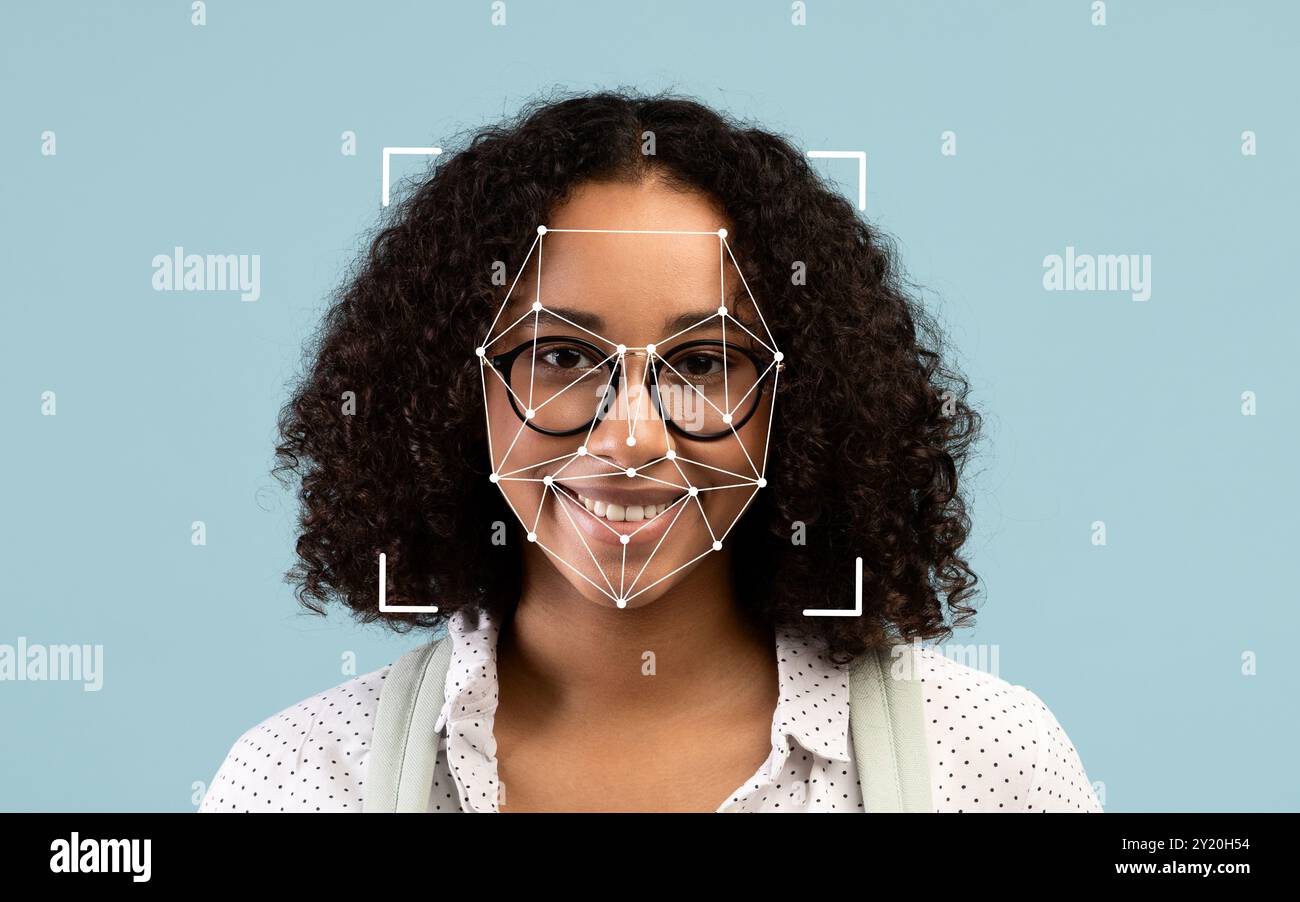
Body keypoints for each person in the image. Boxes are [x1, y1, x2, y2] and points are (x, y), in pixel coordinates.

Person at [199, 89, 1102, 813]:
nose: (631, 436)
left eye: (704, 362)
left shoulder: (984, 761)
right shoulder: (298, 781)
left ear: (801, 398)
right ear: (450, 390)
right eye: (560, 356)